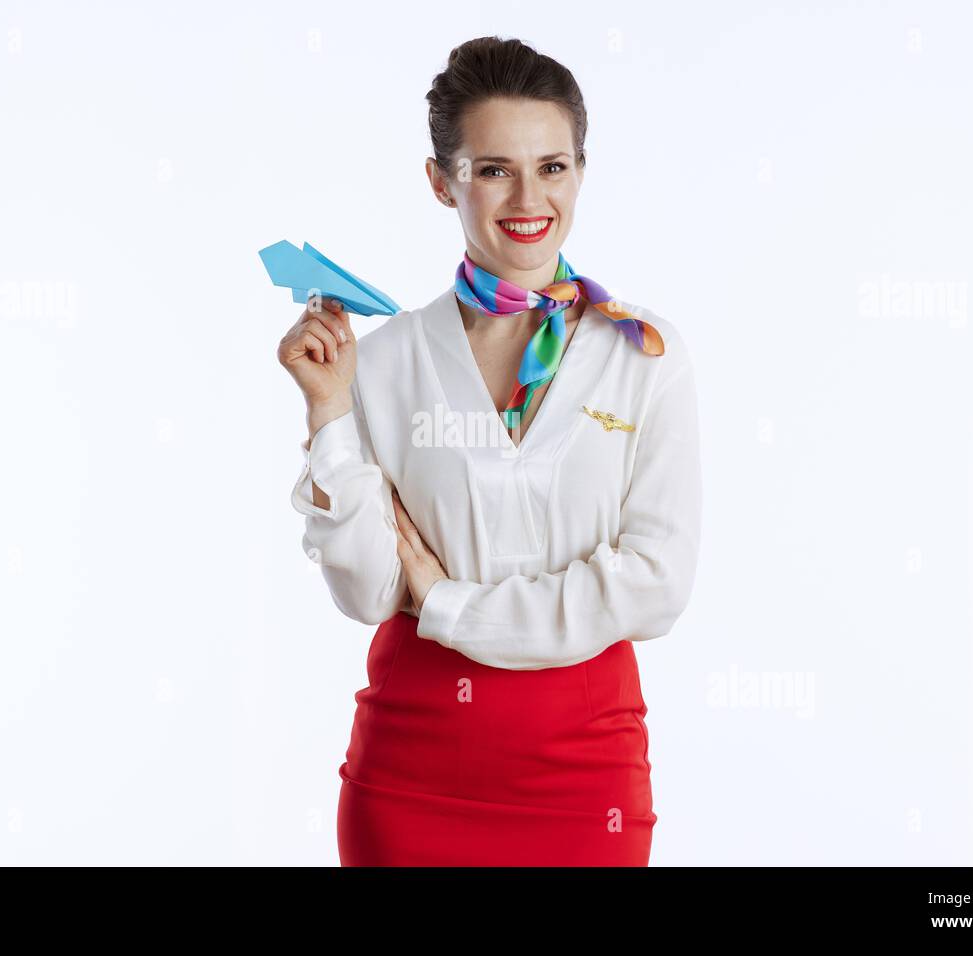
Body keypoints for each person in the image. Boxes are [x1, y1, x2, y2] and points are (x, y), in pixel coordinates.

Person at [277, 35, 702, 866]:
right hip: (412, 772)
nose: (527, 197)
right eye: (493, 168)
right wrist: (330, 411)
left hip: (585, 777)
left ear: (582, 169)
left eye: (552, 167)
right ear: (443, 182)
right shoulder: (388, 357)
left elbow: (656, 589)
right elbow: (368, 592)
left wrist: (450, 609)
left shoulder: (643, 355)